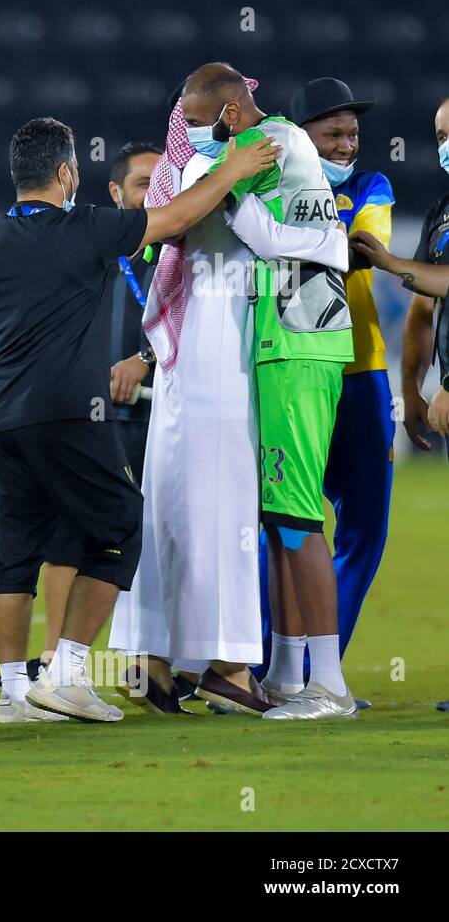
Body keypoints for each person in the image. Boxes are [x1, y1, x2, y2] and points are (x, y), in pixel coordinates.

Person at [0, 114, 277, 724]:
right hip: (71, 415)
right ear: (65, 173)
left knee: (13, 556)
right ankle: (68, 673)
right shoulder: (85, 227)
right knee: (119, 529)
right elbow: (175, 219)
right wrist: (234, 170)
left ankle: (10, 695)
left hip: (3, 418)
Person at [110, 66, 351, 718]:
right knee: (228, 515)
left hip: (190, 362)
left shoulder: (200, 166)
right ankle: (227, 664)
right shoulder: (211, 172)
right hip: (224, 360)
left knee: (174, 509)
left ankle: (154, 658)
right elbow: (234, 221)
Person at [198, 66, 358, 720]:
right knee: (279, 520)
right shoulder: (285, 149)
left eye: (205, 122)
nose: (203, 137)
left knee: (297, 518)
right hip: (286, 339)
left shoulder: (276, 141)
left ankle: (332, 685)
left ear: (231, 114)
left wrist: (218, 185)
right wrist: (327, 242)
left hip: (299, 340)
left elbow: (251, 229)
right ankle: (290, 672)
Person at [252, 78, 395, 707]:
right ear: (300, 135)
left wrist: (310, 226)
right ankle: (283, 664)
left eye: (353, 135)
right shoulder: (280, 177)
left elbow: (365, 250)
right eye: (332, 133)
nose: (346, 145)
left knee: (356, 527)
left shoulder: (370, 189)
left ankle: (322, 668)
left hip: (356, 369)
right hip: (303, 357)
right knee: (285, 517)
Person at [351, 98, 449, 714]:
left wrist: (385, 261)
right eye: (439, 133)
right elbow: (421, 308)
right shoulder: (443, 210)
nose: (444, 144)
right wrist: (410, 389)